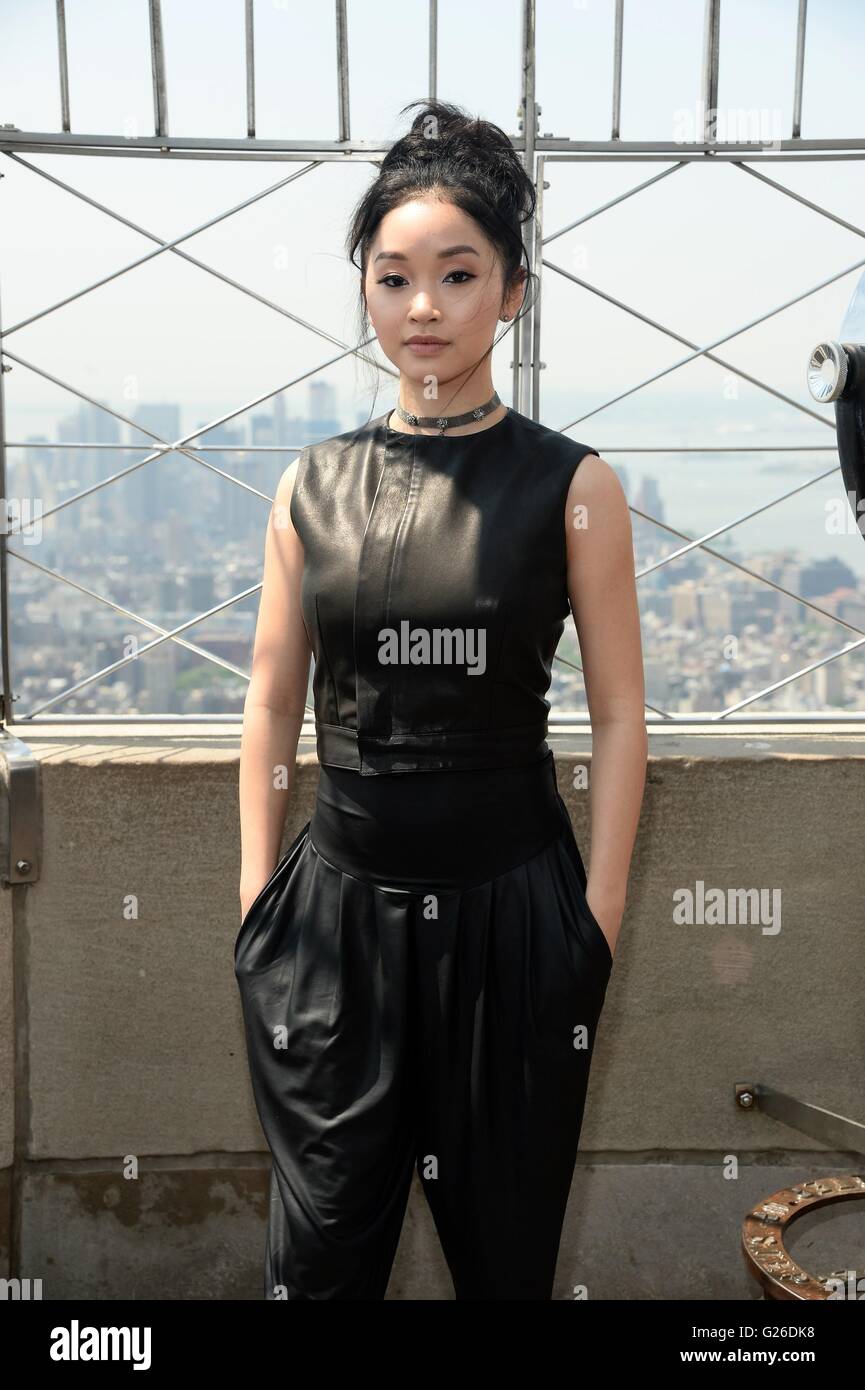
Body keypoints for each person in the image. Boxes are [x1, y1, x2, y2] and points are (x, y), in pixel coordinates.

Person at [235, 98, 647, 1301]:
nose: (423, 307)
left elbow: (621, 714)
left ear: (511, 291)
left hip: (517, 924)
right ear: (364, 288)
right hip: (330, 930)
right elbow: (270, 703)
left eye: (458, 275)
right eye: (393, 275)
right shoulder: (310, 485)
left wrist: (595, 922)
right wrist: (257, 903)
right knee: (317, 1264)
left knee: (506, 1264)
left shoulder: (572, 485)